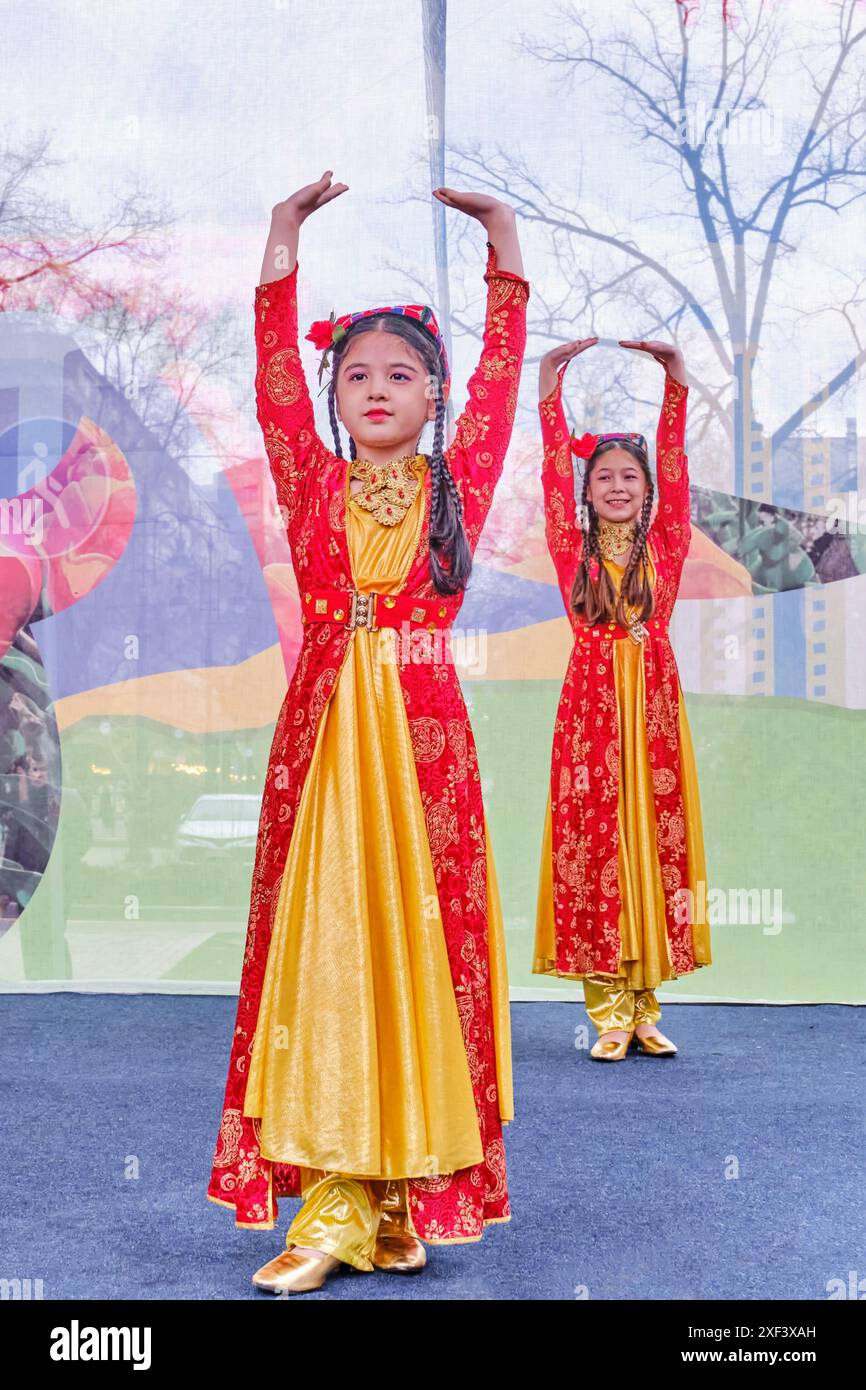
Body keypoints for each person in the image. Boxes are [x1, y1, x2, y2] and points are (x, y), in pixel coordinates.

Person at [207, 172, 529, 1292]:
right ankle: (335, 1206)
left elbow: (499, 383)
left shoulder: (456, 482)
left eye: (401, 374)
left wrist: (502, 240)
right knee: (327, 955)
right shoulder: (309, 485)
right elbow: (269, 392)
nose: (377, 388)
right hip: (325, 738)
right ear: (333, 395)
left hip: (425, 743)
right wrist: (279, 231)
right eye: (356, 374)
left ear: (432, 397)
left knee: (420, 960)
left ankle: (392, 1198)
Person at [533, 335, 711, 1060]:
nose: (616, 485)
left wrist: (675, 382)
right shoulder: (570, 546)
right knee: (597, 844)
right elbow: (549, 471)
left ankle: (645, 1008)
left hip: (656, 707)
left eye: (629, 477)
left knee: (653, 845)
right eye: (603, 476)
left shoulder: (665, 545)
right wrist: (549, 385)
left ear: (647, 490)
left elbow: (675, 458)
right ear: (586, 490)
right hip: (592, 710)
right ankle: (606, 1008)